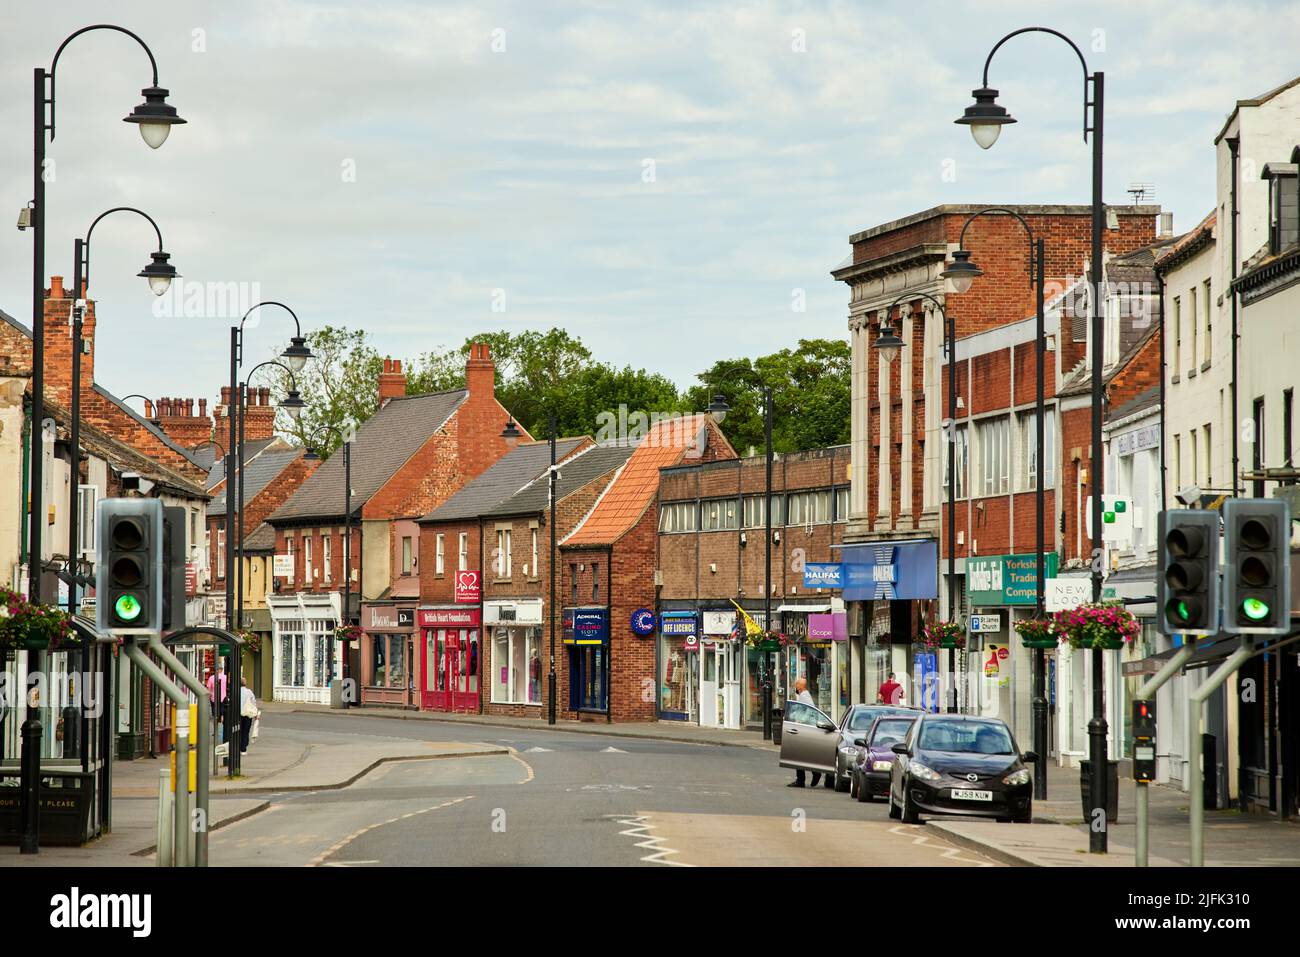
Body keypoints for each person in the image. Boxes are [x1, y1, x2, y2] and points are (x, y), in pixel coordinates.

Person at [787, 677, 823, 789]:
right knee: (803, 754)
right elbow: (801, 710)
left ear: (800, 686)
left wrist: (801, 720)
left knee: (799, 754)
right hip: (805, 728)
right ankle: (808, 775)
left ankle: (804, 778)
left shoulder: (804, 695)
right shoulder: (803, 695)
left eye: (796, 684)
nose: (795, 686)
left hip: (805, 728)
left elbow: (810, 709)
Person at [239, 684, 260, 754]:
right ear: (245, 684)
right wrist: (256, 713)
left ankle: (238, 746)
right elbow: (253, 703)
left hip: (238, 714)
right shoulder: (249, 692)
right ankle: (243, 748)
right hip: (248, 714)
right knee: (245, 731)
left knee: (238, 731)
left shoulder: (236, 691)